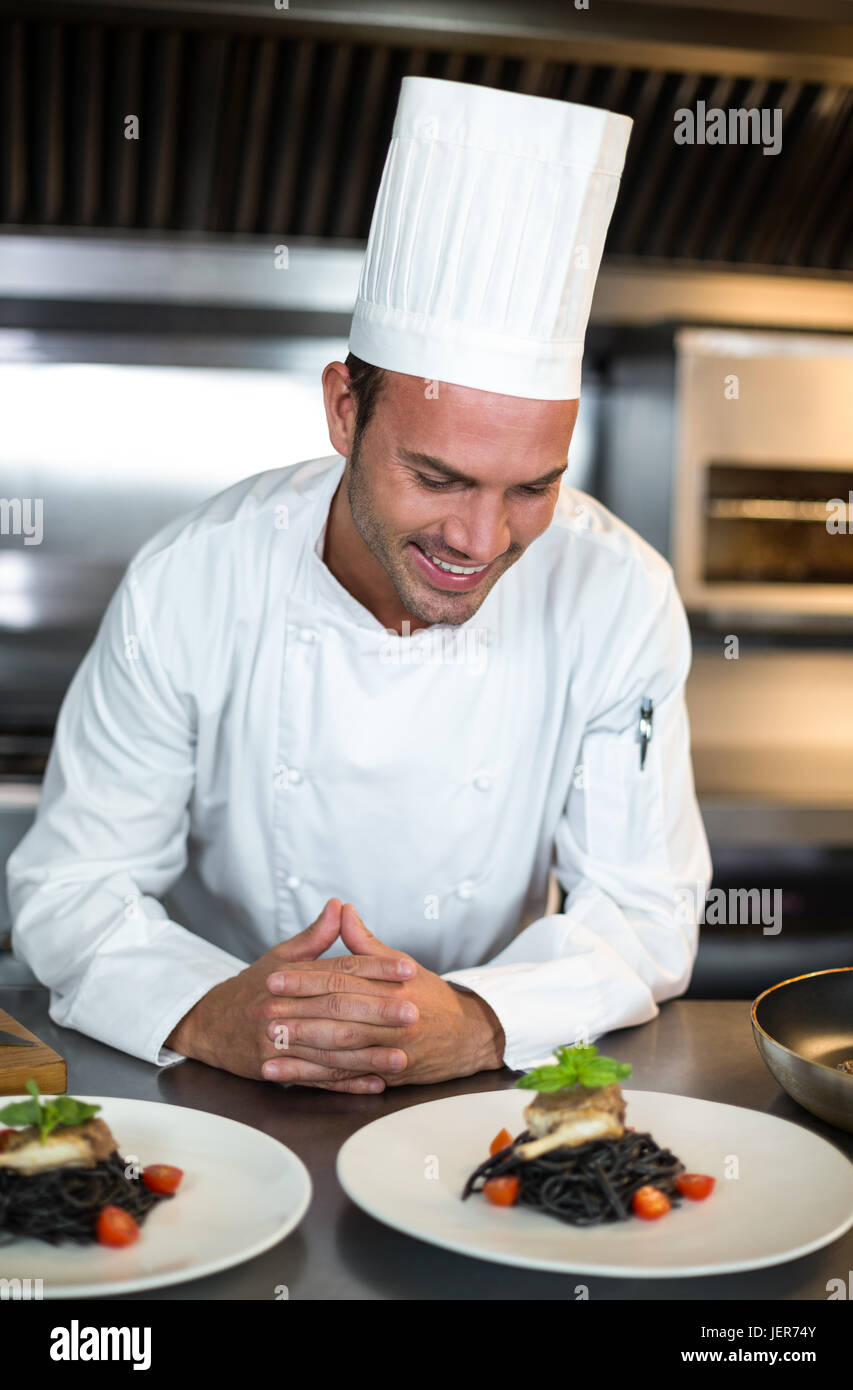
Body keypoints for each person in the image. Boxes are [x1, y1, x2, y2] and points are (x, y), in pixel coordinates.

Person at [7, 78, 711, 1093]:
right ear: (343, 409)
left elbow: (643, 910)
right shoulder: (192, 579)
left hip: (485, 1095)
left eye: (531, 487)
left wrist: (473, 1017)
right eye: (437, 477)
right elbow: (72, 886)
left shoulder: (616, 594)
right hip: (216, 1091)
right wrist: (213, 1009)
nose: (480, 538)